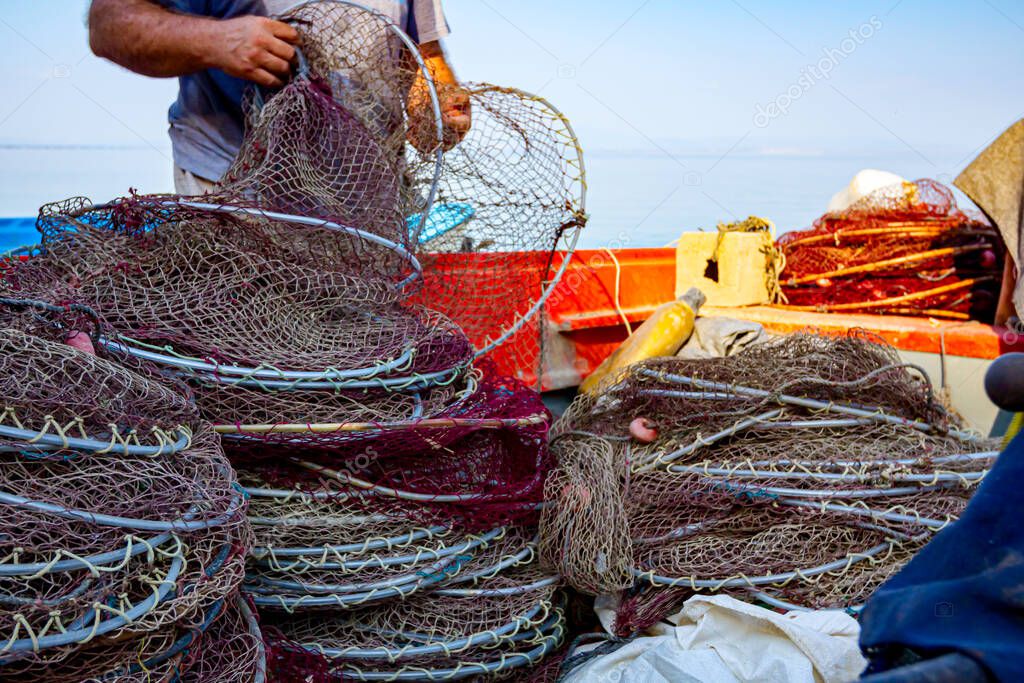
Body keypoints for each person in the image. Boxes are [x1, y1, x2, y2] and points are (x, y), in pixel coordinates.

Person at [87, 0, 470, 195]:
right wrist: (215, 41)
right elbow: (109, 24)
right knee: (238, 342)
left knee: (362, 341)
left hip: (367, 204)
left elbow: (425, 56)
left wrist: (436, 109)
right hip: (234, 190)